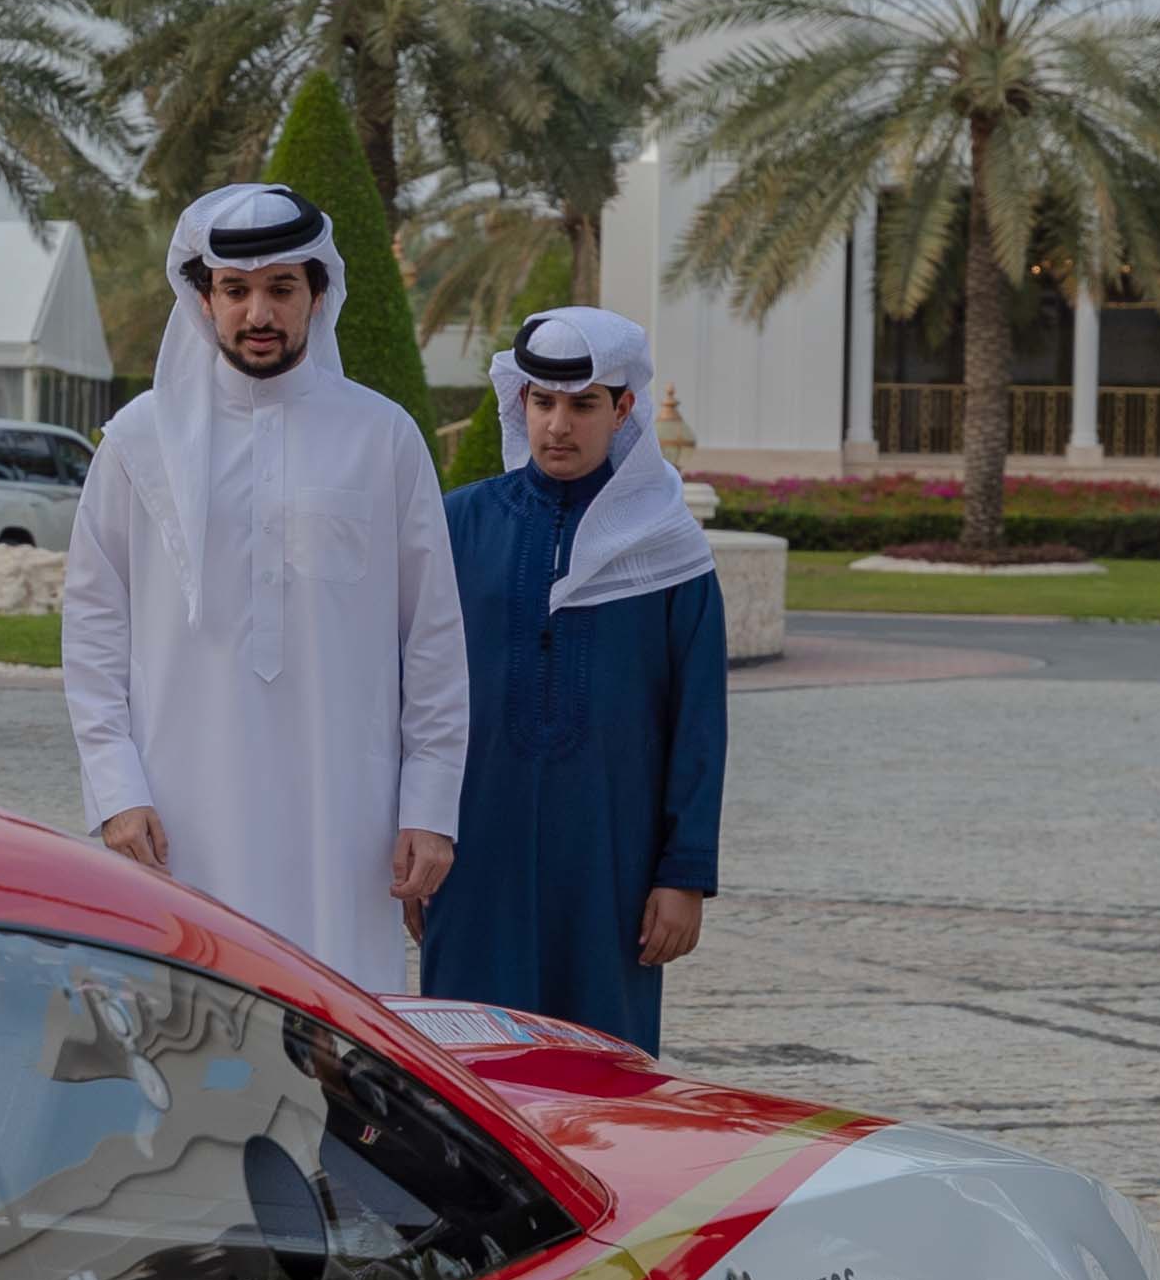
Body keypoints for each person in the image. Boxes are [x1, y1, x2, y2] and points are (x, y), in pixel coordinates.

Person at [62, 182, 467, 993]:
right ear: (202, 299)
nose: (258, 313)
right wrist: (115, 790)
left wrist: (429, 804)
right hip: (180, 816)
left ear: (318, 296)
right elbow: (94, 625)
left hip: (343, 819)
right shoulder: (139, 441)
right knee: (186, 1040)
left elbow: (429, 635)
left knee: (345, 1052)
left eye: (281, 288)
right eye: (236, 289)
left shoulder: (380, 436)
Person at [418, 307, 726, 1051]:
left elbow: (698, 721)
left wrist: (682, 875)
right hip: (471, 851)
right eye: (542, 401)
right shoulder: (456, 526)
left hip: (610, 859)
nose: (558, 424)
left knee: (603, 1072)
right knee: (469, 1068)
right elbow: (412, 691)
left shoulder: (669, 546)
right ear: (518, 401)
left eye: (583, 403)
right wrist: (414, 830)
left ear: (622, 409)